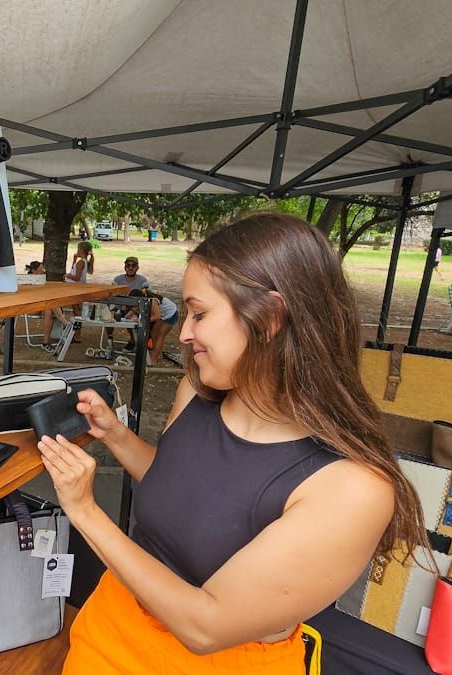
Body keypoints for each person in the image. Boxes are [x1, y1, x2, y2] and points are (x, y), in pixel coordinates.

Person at [38, 213, 426, 674]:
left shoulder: (352, 488)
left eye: (200, 314)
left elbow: (206, 627)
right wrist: (116, 436)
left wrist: (84, 511)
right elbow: (185, 491)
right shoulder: (199, 392)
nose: (184, 333)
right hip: (109, 628)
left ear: (270, 317)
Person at [111, 256, 179, 366]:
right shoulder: (141, 301)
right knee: (153, 334)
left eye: (133, 265)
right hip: (161, 313)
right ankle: (153, 354)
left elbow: (156, 316)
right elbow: (132, 312)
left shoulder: (151, 301)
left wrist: (141, 321)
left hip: (170, 313)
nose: (130, 268)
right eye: (128, 265)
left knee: (159, 335)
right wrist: (130, 313)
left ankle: (154, 359)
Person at [41, 241, 95, 352]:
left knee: (77, 311)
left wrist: (67, 275)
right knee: (76, 310)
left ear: (81, 250)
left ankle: (77, 334)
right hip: (74, 288)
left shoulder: (81, 262)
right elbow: (74, 270)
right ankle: (76, 335)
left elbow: (76, 277)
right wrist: (74, 261)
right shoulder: (81, 262)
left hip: (74, 288)